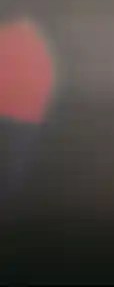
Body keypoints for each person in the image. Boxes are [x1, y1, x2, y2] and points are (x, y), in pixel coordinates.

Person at [0, 18, 55, 212]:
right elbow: (46, 82)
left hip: (13, 115)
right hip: (26, 119)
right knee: (12, 172)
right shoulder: (38, 44)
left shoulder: (5, 36)